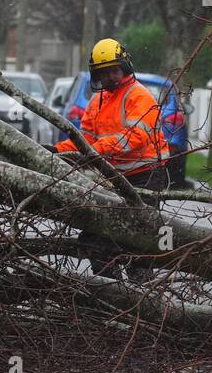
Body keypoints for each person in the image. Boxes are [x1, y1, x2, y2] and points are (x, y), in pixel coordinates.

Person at [54, 38, 169, 277]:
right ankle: (111, 292)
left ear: (124, 68)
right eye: (104, 73)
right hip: (112, 177)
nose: (110, 77)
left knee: (140, 236)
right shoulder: (97, 101)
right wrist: (58, 150)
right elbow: (84, 140)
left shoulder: (140, 96)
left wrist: (97, 151)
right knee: (102, 238)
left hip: (144, 176)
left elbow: (136, 137)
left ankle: (142, 291)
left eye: (114, 71)